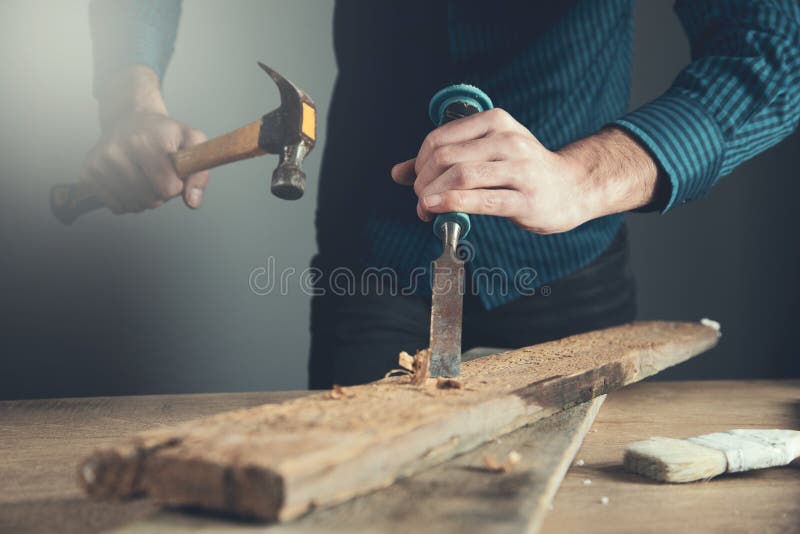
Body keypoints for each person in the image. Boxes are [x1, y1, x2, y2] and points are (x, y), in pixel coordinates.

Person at [85, 1, 800, 388]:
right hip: (376, 254)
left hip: (572, 265)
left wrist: (586, 174)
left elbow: (774, 47)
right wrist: (129, 90)